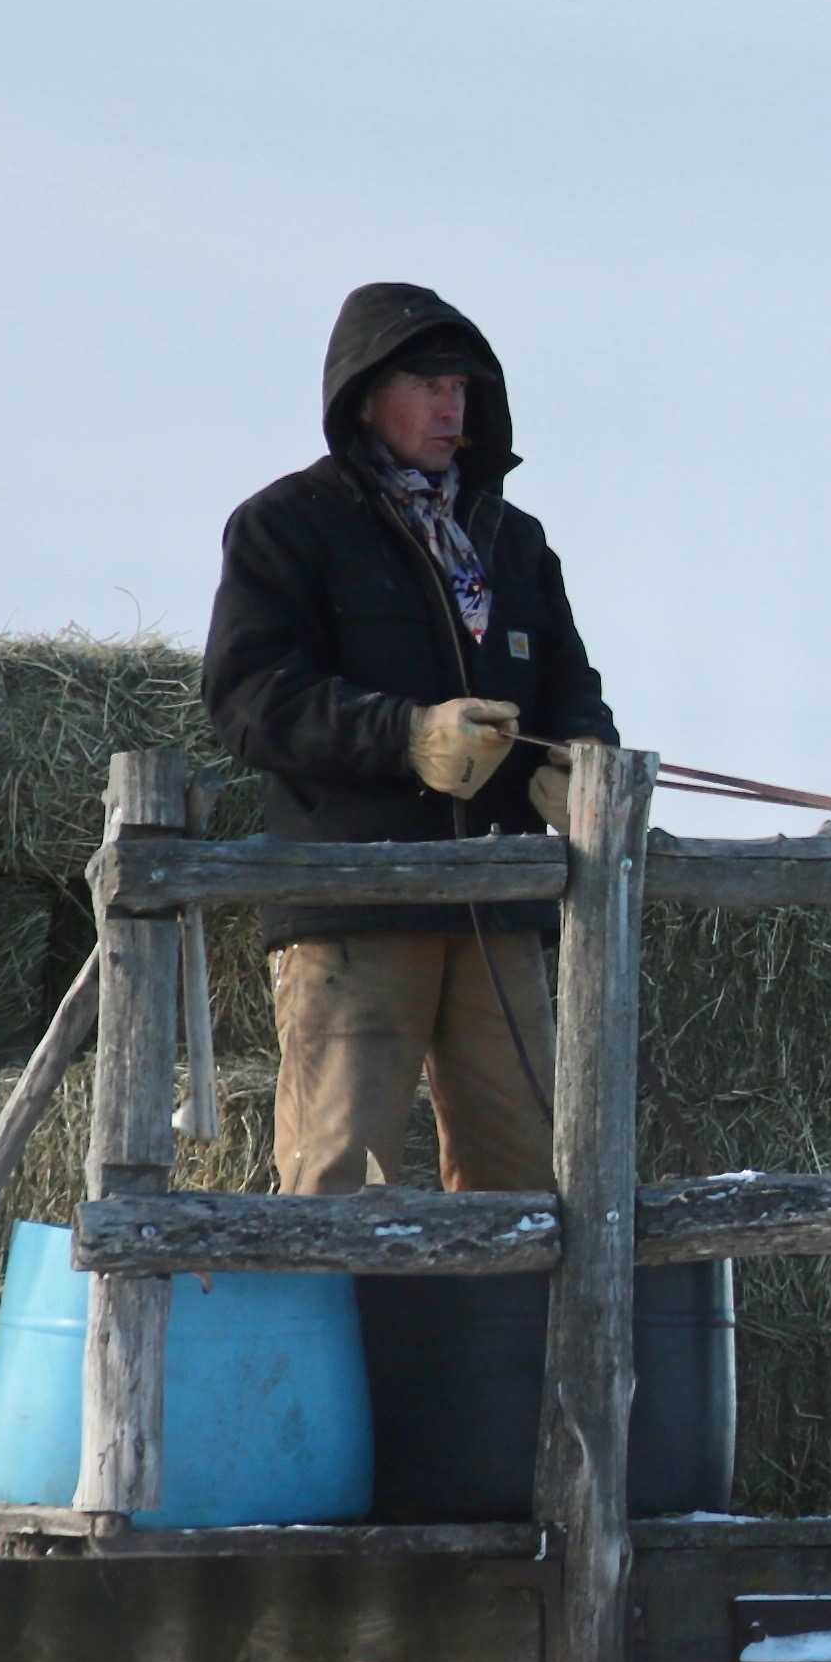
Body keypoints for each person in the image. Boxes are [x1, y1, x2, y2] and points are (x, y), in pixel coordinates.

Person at [203, 281, 617, 1194]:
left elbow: (570, 684)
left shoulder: (513, 540)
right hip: (355, 901)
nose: (450, 405)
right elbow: (248, 696)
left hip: (499, 903)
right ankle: (334, 1302)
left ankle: (511, 1301)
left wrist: (575, 759)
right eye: (427, 384)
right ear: (363, 397)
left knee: (527, 1182)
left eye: (461, 386)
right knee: (338, 1178)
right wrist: (408, 735)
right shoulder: (287, 525)